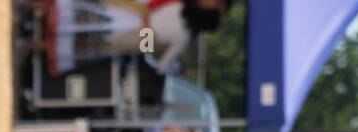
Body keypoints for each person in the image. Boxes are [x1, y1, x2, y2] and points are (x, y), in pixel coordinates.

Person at [39, 0, 233, 77]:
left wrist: (144, 30)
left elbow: (153, 53)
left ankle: (37, 23)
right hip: (131, 18)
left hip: (131, 26)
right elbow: (159, 61)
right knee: (84, 27)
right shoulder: (183, 17)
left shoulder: (184, 33)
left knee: (85, 31)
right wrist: (144, 32)